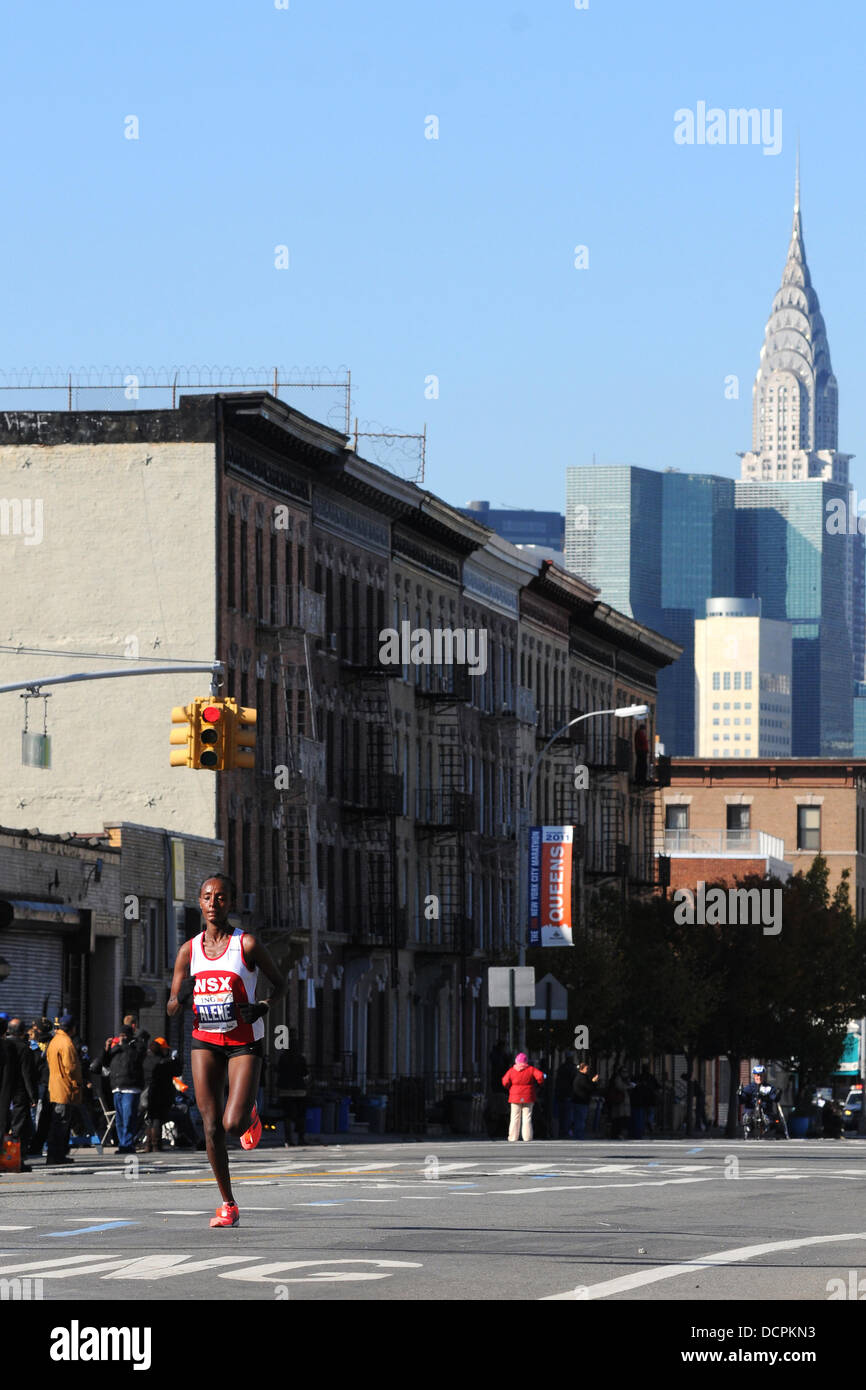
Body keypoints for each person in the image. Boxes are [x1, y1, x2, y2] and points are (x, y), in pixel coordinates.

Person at [167, 873, 285, 1227]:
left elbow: (279, 984)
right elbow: (171, 1005)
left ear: (231, 903)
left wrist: (263, 1005)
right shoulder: (189, 950)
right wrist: (180, 997)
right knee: (211, 1126)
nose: (213, 903)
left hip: (244, 1039)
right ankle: (228, 1204)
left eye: (221, 897)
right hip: (205, 1040)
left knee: (232, 1123)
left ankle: (249, 1113)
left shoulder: (245, 944)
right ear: (199, 903)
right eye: (207, 897)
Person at [45, 1013, 84, 1165]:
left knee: (57, 1122)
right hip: (65, 1087)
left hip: (54, 1085)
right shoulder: (66, 1043)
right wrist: (78, 1082)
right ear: (72, 1028)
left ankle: (55, 1154)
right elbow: (71, 1067)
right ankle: (56, 1155)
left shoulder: (54, 1041)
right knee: (61, 1123)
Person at [101, 1024, 147, 1154]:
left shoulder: (136, 1046)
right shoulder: (117, 1049)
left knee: (129, 1117)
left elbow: (137, 1057)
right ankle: (123, 1144)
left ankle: (128, 1144)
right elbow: (105, 1061)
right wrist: (106, 1048)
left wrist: (124, 1044)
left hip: (131, 1087)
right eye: (119, 1035)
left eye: (123, 1035)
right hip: (117, 1087)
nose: (120, 1038)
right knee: (120, 1119)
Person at [140, 1038, 182, 1151]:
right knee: (157, 1119)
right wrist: (175, 1060)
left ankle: (148, 1144)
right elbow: (177, 1071)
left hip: (147, 1093)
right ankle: (156, 1144)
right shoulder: (163, 1062)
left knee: (150, 1118)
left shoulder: (145, 1061)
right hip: (161, 1094)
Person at [6, 1019, 38, 1158]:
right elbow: (27, 1073)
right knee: (19, 1124)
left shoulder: (4, 1045)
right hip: (19, 1091)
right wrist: (32, 1095)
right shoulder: (24, 1048)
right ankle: (16, 1154)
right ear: (22, 1031)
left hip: (5, 1090)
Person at [501, 1052, 545, 1142]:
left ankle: (513, 1137)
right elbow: (541, 1076)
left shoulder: (512, 1070)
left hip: (515, 1096)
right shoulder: (531, 1069)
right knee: (527, 1117)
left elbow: (505, 1081)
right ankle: (527, 1137)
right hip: (529, 1096)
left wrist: (510, 1087)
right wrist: (538, 1085)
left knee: (514, 1117)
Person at [276, 1033, 308, 1147]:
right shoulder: (300, 1058)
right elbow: (305, 1072)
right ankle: (301, 1137)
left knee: (287, 1116)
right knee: (300, 1115)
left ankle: (288, 1139)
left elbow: (278, 1070)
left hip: (285, 1090)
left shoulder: (283, 1057)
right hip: (299, 1090)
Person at [738, 1064, 782, 1138]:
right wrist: (740, 1094)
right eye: (757, 1075)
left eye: (761, 1075)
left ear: (764, 1076)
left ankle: (767, 1128)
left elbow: (774, 1098)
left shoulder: (769, 1087)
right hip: (751, 1110)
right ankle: (748, 1127)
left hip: (766, 1111)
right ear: (754, 1076)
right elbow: (743, 1099)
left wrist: (777, 1094)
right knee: (746, 1117)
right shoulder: (749, 1087)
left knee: (770, 1119)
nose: (759, 1077)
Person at [572, 1062, 599, 1140]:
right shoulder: (582, 1078)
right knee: (580, 1120)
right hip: (581, 1102)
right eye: (586, 1068)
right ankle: (578, 1136)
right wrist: (594, 1082)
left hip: (579, 1101)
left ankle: (577, 1135)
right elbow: (589, 1088)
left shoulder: (580, 1077)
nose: (588, 1070)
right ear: (582, 1069)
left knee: (578, 1119)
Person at [553, 1055, 577, 1138]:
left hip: (560, 1094)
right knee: (567, 1115)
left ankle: (561, 1131)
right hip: (568, 1095)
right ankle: (565, 1131)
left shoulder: (561, 1068)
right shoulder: (572, 1069)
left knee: (561, 1115)